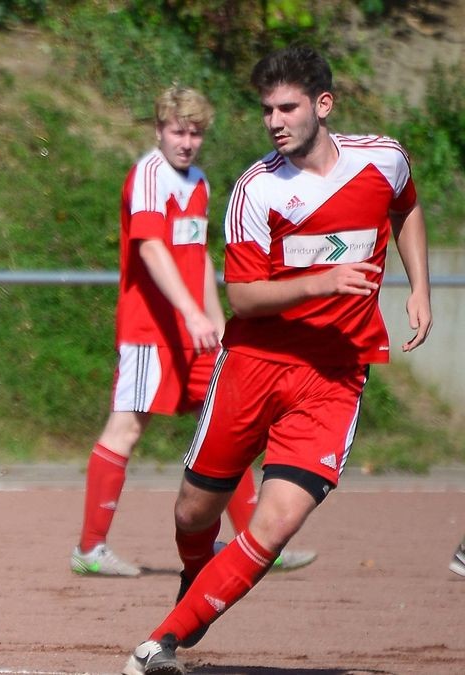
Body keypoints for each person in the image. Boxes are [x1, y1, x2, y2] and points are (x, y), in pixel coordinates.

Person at [122, 45, 431, 675]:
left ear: (323, 105)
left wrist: (419, 285)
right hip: (255, 364)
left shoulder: (384, 158)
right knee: (193, 511)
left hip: (336, 377)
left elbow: (407, 206)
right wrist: (321, 282)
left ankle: (163, 642)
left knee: (281, 518)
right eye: (267, 109)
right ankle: (194, 577)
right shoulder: (256, 189)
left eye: (287, 107)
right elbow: (245, 297)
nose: (274, 120)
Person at [73, 86, 315, 578]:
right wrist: (190, 314)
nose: (187, 141)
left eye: (196, 133)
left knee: (232, 424)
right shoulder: (148, 175)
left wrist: (219, 322)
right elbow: (152, 250)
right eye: (178, 131)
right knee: (127, 427)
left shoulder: (199, 182)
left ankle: (258, 545)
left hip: (196, 330)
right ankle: (90, 549)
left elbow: (197, 256)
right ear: (159, 129)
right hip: (150, 330)